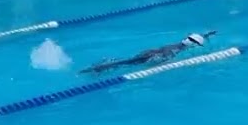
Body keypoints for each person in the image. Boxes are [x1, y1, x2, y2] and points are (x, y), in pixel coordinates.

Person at [81, 32, 216, 75]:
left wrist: (207, 35)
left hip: (149, 51)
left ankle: (103, 65)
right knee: (126, 64)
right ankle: (97, 69)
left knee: (126, 61)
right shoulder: (178, 49)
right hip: (151, 56)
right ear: (195, 45)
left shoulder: (180, 44)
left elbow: (193, 39)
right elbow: (165, 57)